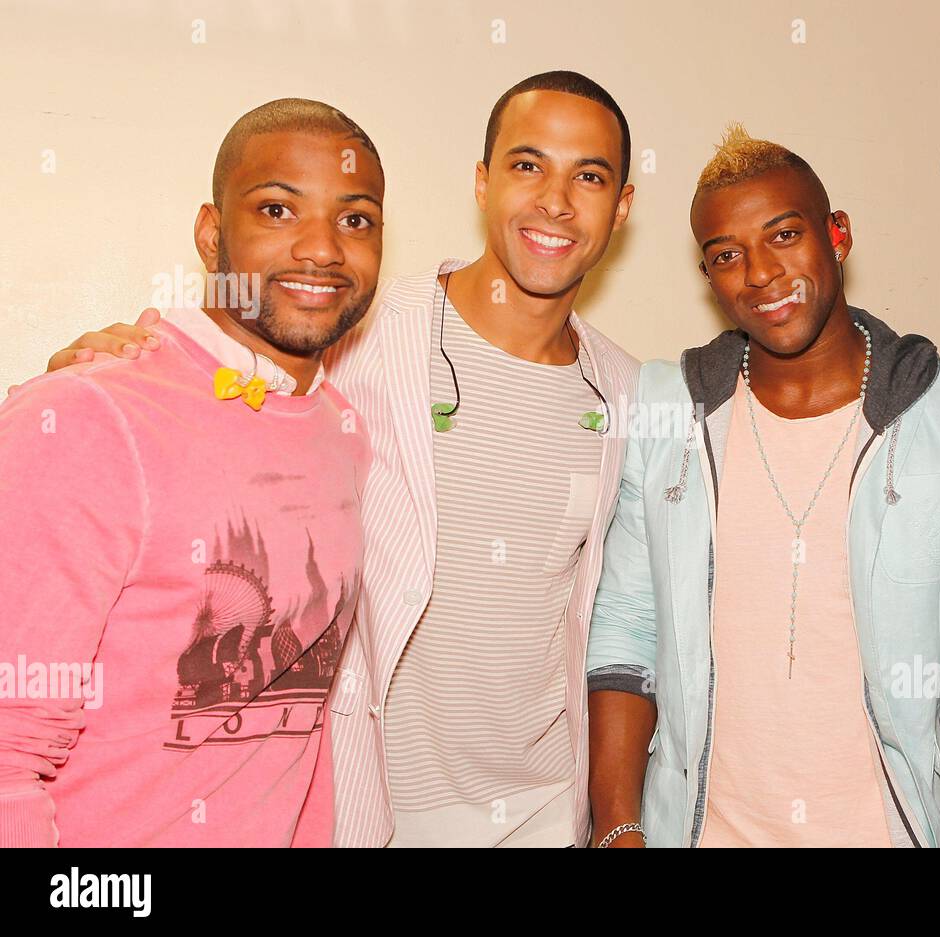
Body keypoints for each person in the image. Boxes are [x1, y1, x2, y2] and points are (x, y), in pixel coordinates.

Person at [39, 72, 641, 848]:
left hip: (547, 812)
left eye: (588, 175)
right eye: (528, 165)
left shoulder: (625, 389)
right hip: (375, 806)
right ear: (484, 184)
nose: (556, 200)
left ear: (621, 206)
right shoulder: (356, 334)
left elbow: (616, 616)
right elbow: (219, 375)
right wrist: (93, 370)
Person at [585, 126, 940, 848]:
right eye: (727, 255)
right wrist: (618, 827)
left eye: (784, 234)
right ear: (708, 275)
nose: (759, 272)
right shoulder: (667, 408)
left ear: (837, 233)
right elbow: (627, 630)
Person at [0, 98, 381, 846]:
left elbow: (298, 735)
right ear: (212, 236)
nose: (322, 248)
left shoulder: (342, 430)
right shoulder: (88, 414)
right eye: (278, 209)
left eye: (356, 219)